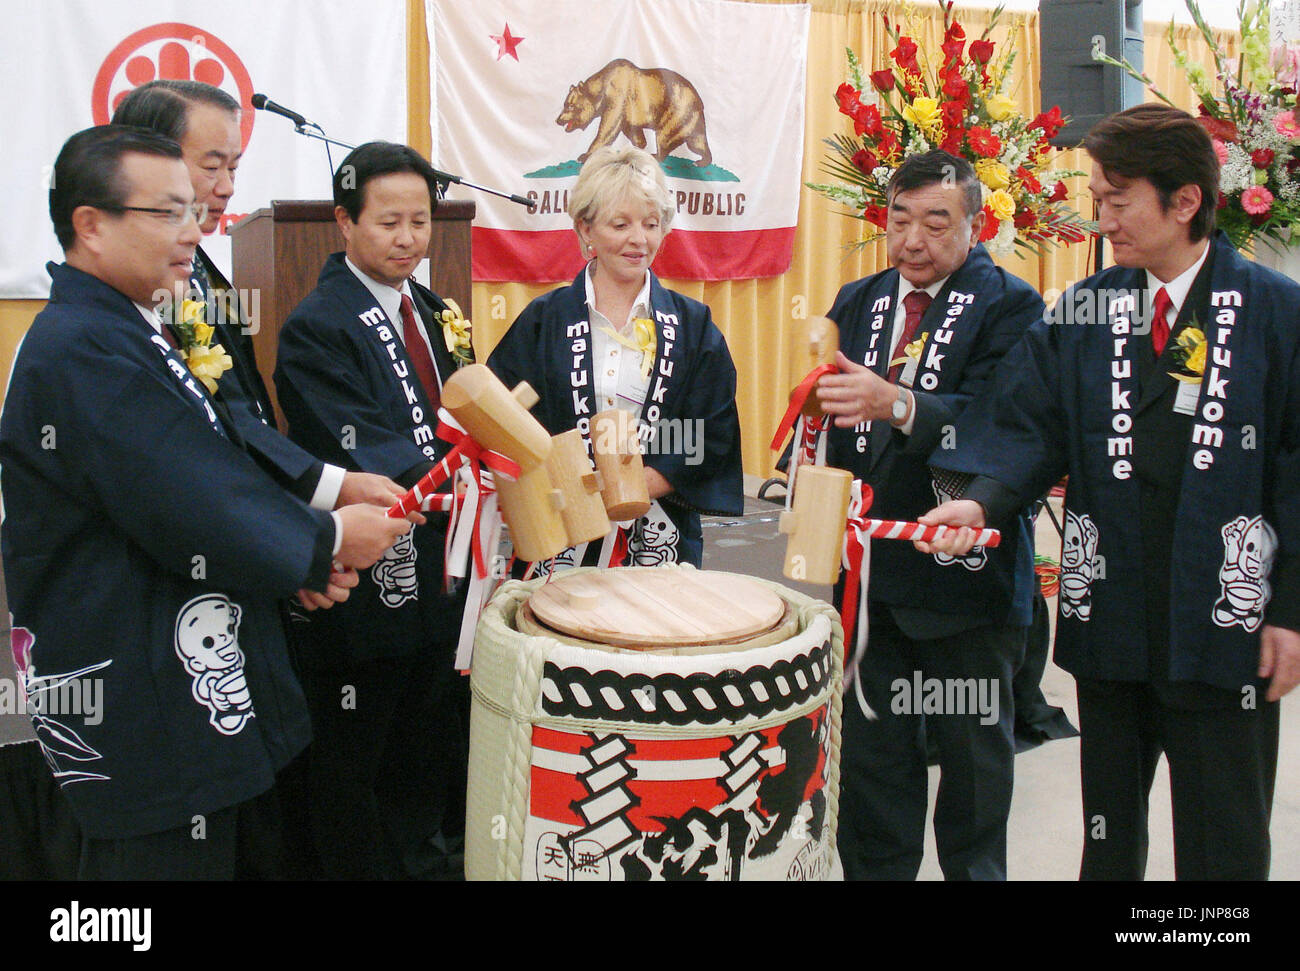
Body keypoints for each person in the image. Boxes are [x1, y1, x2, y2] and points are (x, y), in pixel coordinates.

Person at [0, 125, 414, 879]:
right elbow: (186, 492)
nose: (194, 231)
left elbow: (218, 458)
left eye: (195, 209)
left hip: (191, 685)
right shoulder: (80, 346)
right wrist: (319, 543)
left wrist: (305, 546)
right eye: (167, 213)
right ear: (90, 225)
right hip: (141, 710)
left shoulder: (132, 328)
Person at [918, 104, 1300, 880]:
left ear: (1185, 200)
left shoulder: (1273, 310)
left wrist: (1291, 613)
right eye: (1097, 197)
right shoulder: (1089, 309)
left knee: (1224, 839)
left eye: (1117, 198)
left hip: (1223, 621)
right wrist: (983, 500)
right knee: (1107, 835)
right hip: (1113, 617)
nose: (1102, 218)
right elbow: (1032, 423)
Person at [813, 149, 1041, 880]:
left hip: (963, 584)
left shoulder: (1012, 305)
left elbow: (1007, 424)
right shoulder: (858, 300)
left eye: (936, 223)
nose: (914, 240)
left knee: (974, 775)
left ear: (975, 225)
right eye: (899, 220)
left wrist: (899, 403)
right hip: (871, 584)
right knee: (874, 771)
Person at [273, 141, 473, 879]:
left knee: (429, 744)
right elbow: (359, 444)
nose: (409, 238)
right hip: (372, 578)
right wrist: (465, 474)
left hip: (443, 572)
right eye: (389, 221)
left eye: (421, 221)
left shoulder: (434, 308)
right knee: (360, 758)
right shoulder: (317, 324)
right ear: (344, 223)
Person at [110, 80, 405, 520]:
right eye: (212, 168)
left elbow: (244, 411)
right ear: (148, 164)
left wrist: (308, 508)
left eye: (234, 168)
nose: (227, 187)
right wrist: (312, 533)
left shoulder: (200, 272)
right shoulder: (124, 302)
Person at [487, 145, 743, 568]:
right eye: (620, 224)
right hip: (562, 524)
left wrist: (635, 487)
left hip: (659, 531)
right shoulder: (544, 320)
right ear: (586, 229)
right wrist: (573, 484)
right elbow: (505, 418)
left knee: (653, 633)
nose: (638, 239)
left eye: (651, 223)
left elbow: (710, 434)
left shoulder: (694, 325)